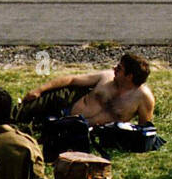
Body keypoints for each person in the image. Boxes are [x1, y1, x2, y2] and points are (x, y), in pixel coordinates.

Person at [17, 52, 155, 127]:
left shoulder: (143, 98)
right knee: (21, 114)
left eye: (119, 69)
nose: (114, 69)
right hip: (65, 110)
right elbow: (71, 79)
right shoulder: (106, 77)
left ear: (129, 76)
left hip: (85, 131)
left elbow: (143, 129)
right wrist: (39, 90)